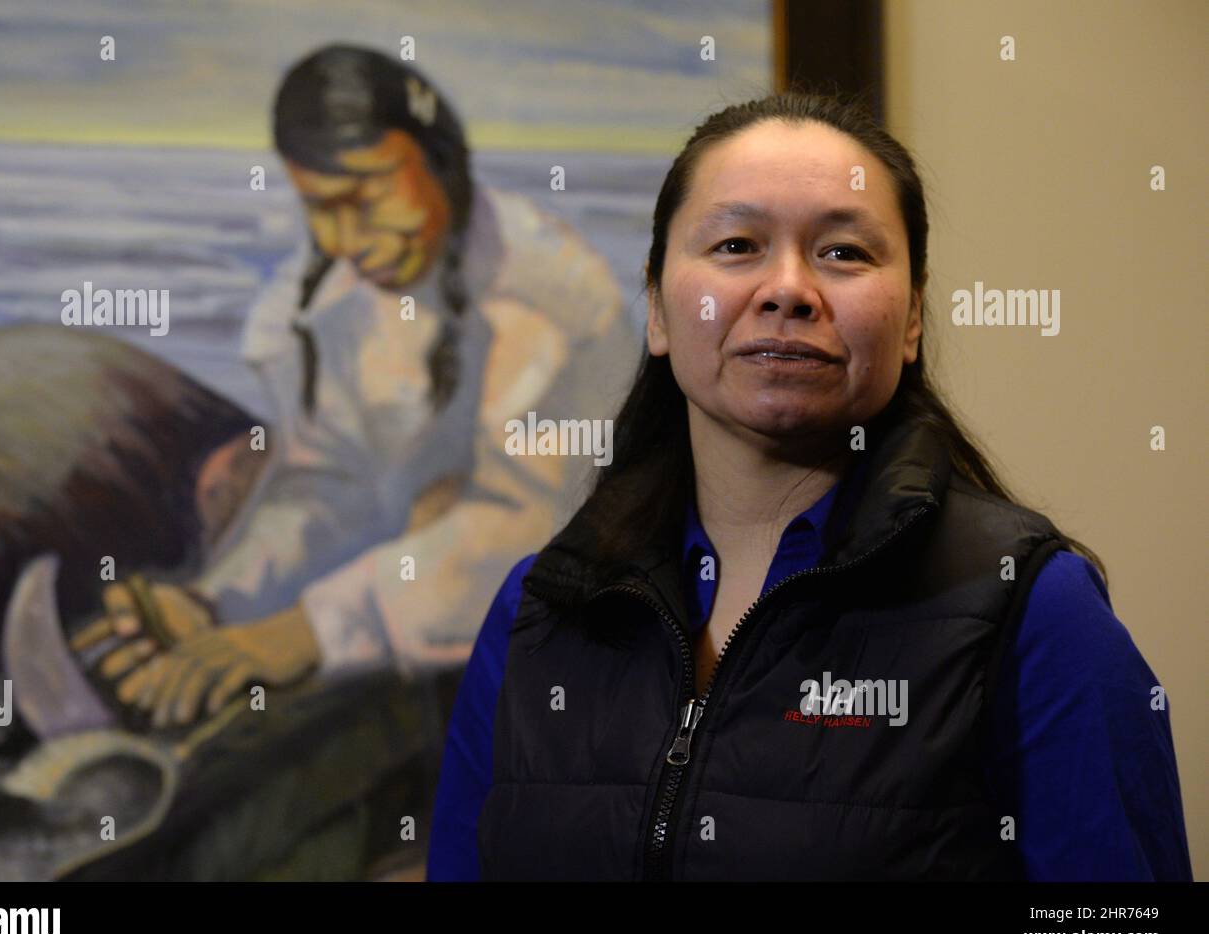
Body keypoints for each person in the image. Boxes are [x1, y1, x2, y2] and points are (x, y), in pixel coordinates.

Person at [427, 90, 1194, 881]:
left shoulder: (1033, 609)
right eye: (735, 245)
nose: (788, 288)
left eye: (843, 253)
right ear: (656, 306)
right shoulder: (538, 613)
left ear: (913, 319)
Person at [72, 45, 638, 726]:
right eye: (319, 206)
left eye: (365, 197)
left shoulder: (546, 295)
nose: (344, 238)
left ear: (438, 160)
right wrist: (221, 601)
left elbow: (517, 531)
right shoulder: (332, 305)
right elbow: (326, 487)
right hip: (412, 606)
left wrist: (297, 635)